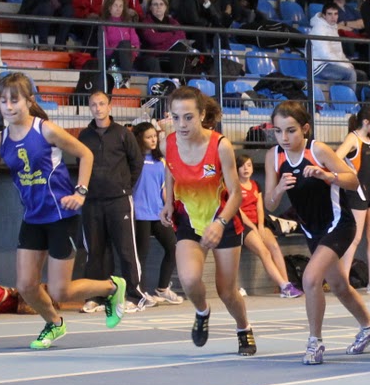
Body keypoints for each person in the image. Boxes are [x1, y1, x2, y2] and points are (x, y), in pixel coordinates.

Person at [0, 73, 129, 348]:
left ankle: (112, 287)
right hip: (33, 218)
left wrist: (81, 192)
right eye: (3, 101)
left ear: (29, 101)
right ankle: (54, 323)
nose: (8, 106)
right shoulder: (0, 142)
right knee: (26, 286)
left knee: (61, 290)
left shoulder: (46, 130)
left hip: (62, 215)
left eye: (14, 100)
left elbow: (86, 154)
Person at [265, 102, 370, 365]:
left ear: (305, 128)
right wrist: (280, 188)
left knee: (310, 278)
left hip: (339, 224)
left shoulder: (317, 150)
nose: (284, 138)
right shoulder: (274, 156)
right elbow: (270, 204)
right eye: (278, 131)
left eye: (291, 131)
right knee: (340, 285)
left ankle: (315, 342)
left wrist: (327, 175)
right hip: (312, 229)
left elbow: (352, 180)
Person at [162, 86, 255, 355]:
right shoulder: (168, 142)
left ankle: (243, 328)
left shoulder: (220, 145)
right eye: (176, 117)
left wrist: (220, 223)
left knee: (226, 291)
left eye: (188, 117)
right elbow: (170, 171)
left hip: (222, 220)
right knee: (189, 281)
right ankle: (202, 312)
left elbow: (237, 193)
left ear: (202, 115)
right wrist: (168, 202)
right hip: (188, 220)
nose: (181, 124)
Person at [79, 90, 147, 311]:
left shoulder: (122, 134)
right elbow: (79, 165)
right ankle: (97, 296)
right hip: (91, 202)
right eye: (93, 105)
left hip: (119, 201)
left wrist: (124, 186)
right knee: (95, 251)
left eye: (101, 104)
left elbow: (136, 162)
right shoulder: (84, 136)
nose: (98, 108)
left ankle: (135, 296)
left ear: (110, 106)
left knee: (127, 250)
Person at [334, 108, 370, 295]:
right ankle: (343, 282)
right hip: (357, 192)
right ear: (367, 122)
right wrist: (348, 172)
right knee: (355, 237)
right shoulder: (353, 139)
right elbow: (335, 158)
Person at [235, 153, 300, 298]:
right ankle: (284, 285)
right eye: (242, 166)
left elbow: (259, 208)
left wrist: (260, 226)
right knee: (264, 252)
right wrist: (253, 228)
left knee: (275, 247)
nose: (246, 169)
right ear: (236, 168)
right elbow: (238, 211)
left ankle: (286, 284)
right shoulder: (234, 187)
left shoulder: (256, 185)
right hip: (244, 225)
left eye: (249, 165)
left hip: (259, 223)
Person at [130, 122, 181, 304]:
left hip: (157, 213)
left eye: (155, 136)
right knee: (141, 255)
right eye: (148, 137)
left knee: (173, 247)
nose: (153, 140)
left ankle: (162, 288)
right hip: (139, 214)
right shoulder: (133, 160)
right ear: (139, 139)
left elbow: (164, 188)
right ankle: (141, 293)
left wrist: (169, 208)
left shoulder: (161, 161)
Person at [136, 0, 191, 74]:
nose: (159, 7)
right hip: (153, 56)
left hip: (171, 55)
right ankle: (177, 81)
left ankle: (181, 83)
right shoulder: (146, 22)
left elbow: (182, 36)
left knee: (183, 53)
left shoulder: (173, 22)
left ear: (166, 7)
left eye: (161, 4)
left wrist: (162, 44)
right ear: (150, 7)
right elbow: (153, 39)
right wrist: (171, 34)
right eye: (155, 4)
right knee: (179, 51)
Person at [309, 2, 359, 86]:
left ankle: (352, 98)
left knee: (361, 75)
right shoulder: (319, 29)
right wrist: (344, 65)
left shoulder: (333, 27)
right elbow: (326, 54)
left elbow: (339, 52)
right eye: (330, 14)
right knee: (350, 74)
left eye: (335, 14)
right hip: (320, 66)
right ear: (324, 16)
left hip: (330, 64)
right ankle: (349, 99)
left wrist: (347, 62)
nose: (333, 17)